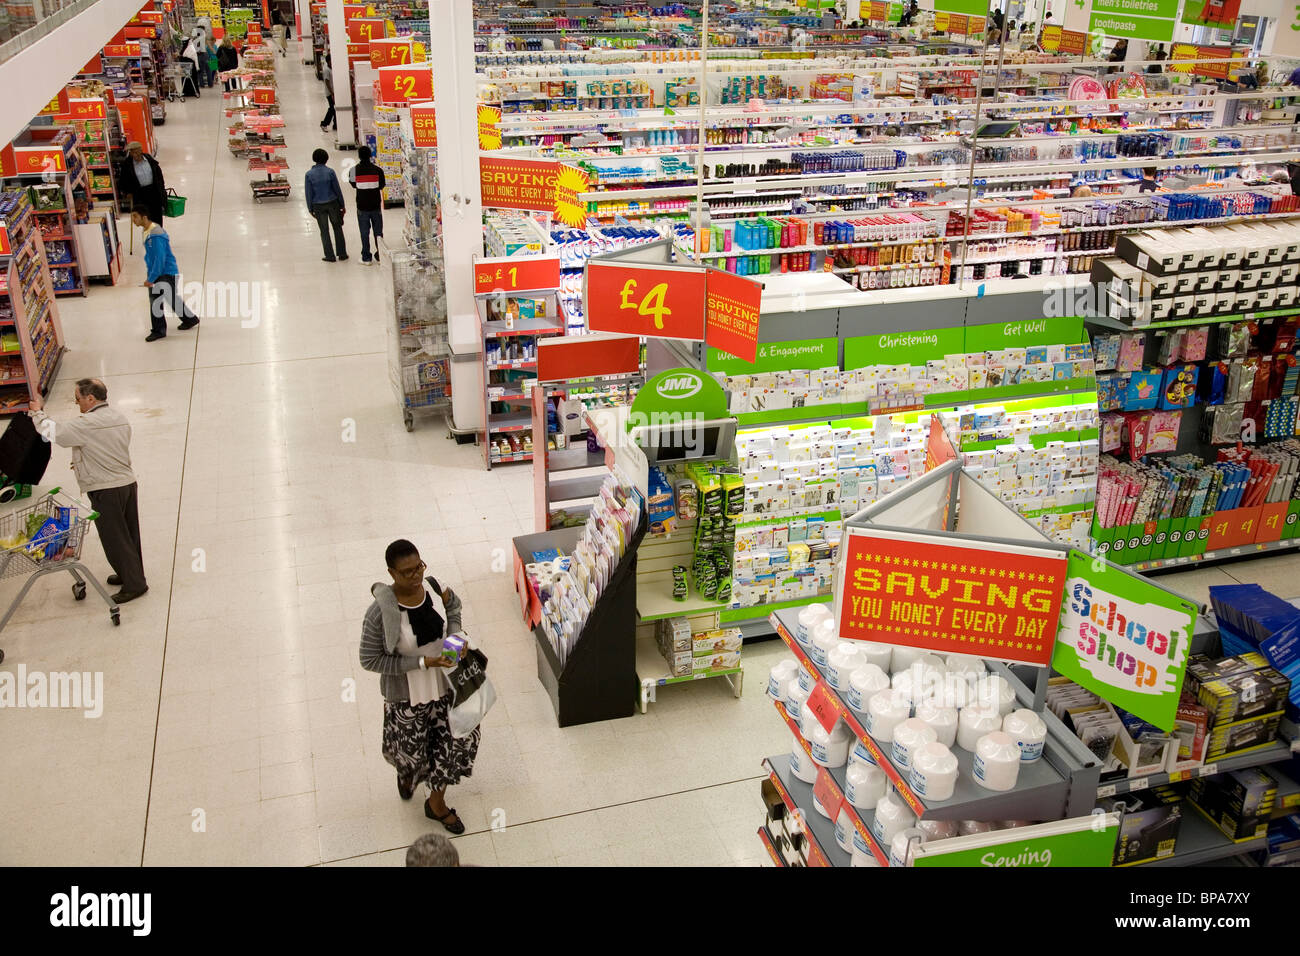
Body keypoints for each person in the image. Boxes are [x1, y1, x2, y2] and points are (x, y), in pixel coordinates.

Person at [359, 540, 480, 836]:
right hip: (407, 696)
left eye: (419, 568)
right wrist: (424, 662)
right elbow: (369, 659)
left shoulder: (436, 589)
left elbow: (454, 608)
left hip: (448, 687)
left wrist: (456, 640)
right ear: (391, 573)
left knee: (458, 741)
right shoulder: (379, 614)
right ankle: (407, 773)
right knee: (413, 753)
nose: (415, 577)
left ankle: (436, 803)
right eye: (406, 572)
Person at [28, 379, 148, 604]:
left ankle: (135, 585)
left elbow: (56, 433)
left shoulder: (87, 423)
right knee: (129, 534)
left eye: (78, 398)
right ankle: (129, 573)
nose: (76, 402)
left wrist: (37, 413)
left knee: (114, 538)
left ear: (91, 398)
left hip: (105, 488)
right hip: (127, 483)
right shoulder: (119, 417)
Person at [135, 208, 199, 341]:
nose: (133, 220)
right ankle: (190, 319)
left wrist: (151, 278)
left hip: (164, 273)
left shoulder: (156, 235)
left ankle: (159, 330)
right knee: (170, 299)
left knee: (155, 301)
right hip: (160, 271)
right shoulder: (148, 232)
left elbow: (160, 259)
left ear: (144, 217)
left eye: (135, 216)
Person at [306, 149, 348, 262]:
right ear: (326, 159)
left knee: (324, 230)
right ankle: (342, 253)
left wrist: (310, 208)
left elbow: (309, 193)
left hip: (318, 205)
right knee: (337, 227)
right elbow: (337, 189)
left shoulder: (309, 175)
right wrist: (342, 204)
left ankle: (329, 255)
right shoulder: (330, 172)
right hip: (333, 203)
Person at [348, 146, 386, 264]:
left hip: (362, 206)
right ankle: (380, 256)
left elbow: (354, 185)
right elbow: (382, 185)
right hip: (375, 205)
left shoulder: (353, 171)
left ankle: (366, 257)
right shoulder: (378, 170)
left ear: (359, 156)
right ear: (370, 155)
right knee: (378, 232)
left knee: (364, 232)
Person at [116, 141, 166, 227]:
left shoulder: (149, 160)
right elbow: (122, 182)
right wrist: (127, 192)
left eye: (136, 152)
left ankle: (158, 237)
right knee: (146, 219)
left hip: (154, 192)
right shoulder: (127, 165)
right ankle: (149, 237)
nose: (134, 155)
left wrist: (161, 189)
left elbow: (159, 175)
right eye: (132, 152)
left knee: (157, 218)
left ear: (141, 150)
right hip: (140, 195)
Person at [181, 30, 203, 96]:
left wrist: (197, 67)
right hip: (186, 67)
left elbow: (193, 58)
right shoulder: (186, 47)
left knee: (192, 79)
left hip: (191, 68)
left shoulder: (191, 48)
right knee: (186, 79)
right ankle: (187, 92)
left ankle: (193, 92)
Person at [321, 54, 336, 132]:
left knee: (335, 108)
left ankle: (335, 125)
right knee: (332, 109)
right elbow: (327, 82)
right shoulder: (326, 69)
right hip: (329, 93)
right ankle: (324, 124)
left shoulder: (331, 68)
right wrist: (332, 92)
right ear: (328, 61)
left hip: (333, 92)